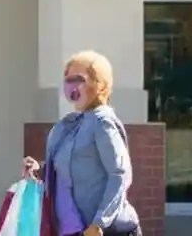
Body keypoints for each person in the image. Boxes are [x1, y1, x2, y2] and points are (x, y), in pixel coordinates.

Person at [21, 50, 141, 236]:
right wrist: (39, 170)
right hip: (74, 229)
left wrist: (100, 222)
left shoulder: (102, 122)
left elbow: (119, 174)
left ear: (99, 84)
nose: (72, 86)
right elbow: (66, 172)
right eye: (68, 80)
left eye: (79, 79)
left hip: (105, 231)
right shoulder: (67, 126)